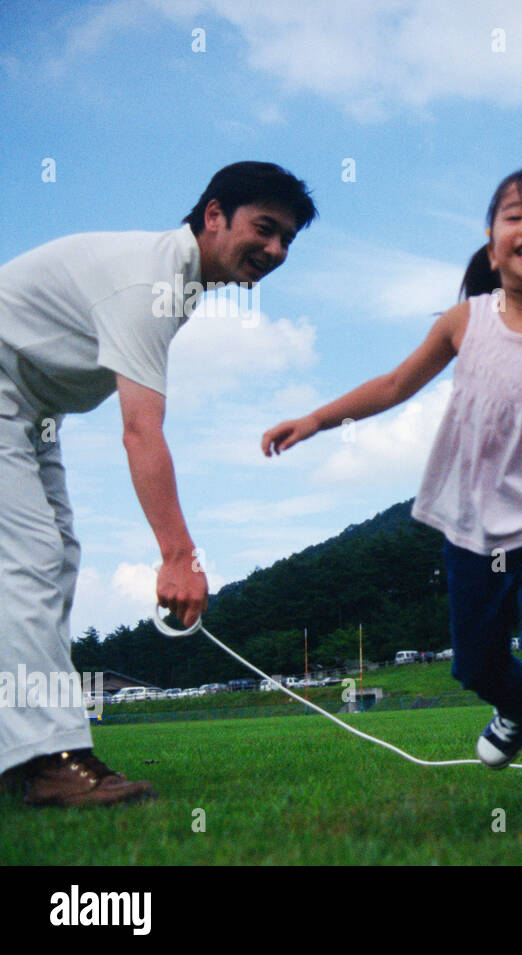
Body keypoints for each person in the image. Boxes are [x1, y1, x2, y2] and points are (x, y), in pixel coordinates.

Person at [263, 167, 522, 814]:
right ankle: (518, 699)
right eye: (514, 215)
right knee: (475, 664)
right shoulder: (466, 320)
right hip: (469, 525)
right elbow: (394, 385)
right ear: (491, 245)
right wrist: (316, 418)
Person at [0, 161, 317, 806]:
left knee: (54, 561)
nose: (277, 250)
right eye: (265, 228)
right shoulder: (150, 281)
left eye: (288, 238)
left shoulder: (181, 284)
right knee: (30, 561)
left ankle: (25, 754)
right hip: (9, 389)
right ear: (213, 215)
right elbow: (141, 431)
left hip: (33, 411)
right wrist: (178, 555)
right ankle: (50, 760)